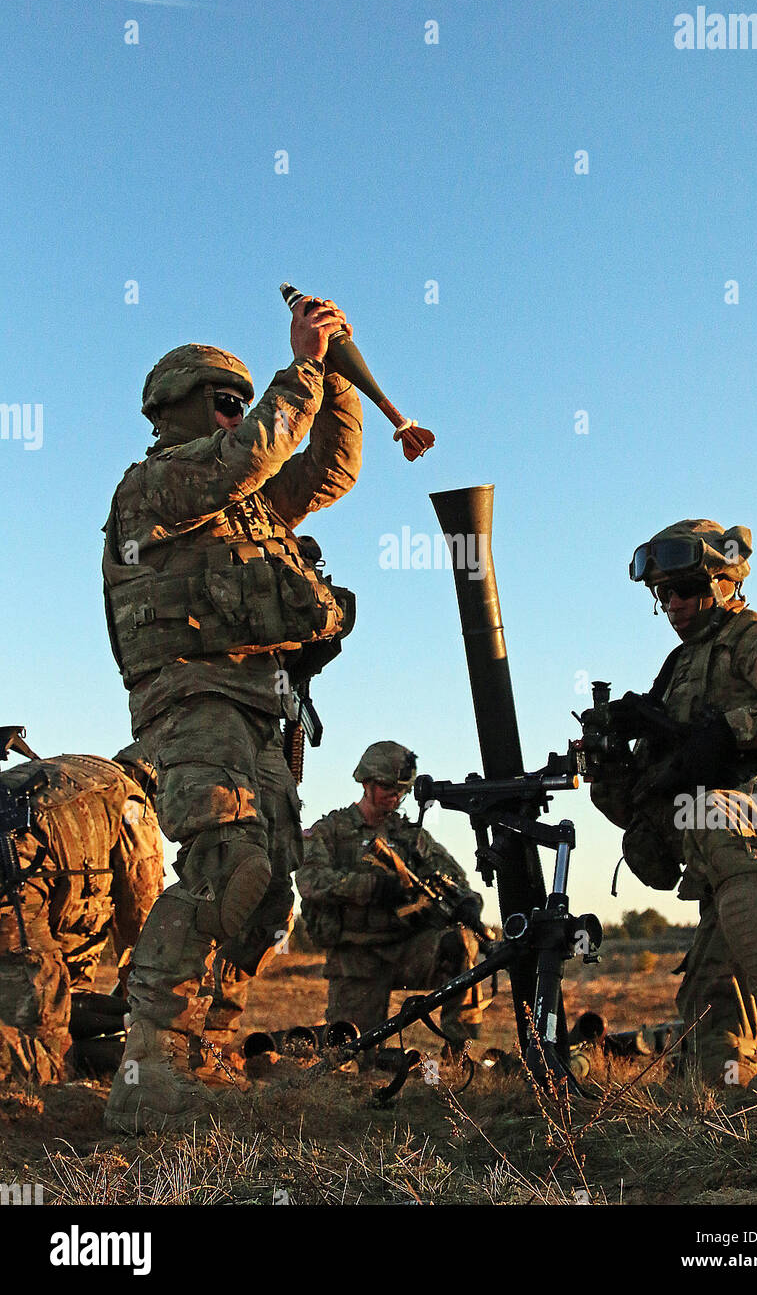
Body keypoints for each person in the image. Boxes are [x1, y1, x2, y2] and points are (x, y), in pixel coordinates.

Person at [101, 295, 362, 1133]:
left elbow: (328, 471)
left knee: (271, 890)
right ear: (177, 405)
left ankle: (207, 1050)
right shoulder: (161, 485)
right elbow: (247, 456)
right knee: (227, 866)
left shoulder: (247, 502)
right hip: (191, 697)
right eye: (222, 398)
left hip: (262, 710)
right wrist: (303, 368)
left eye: (240, 399)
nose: (236, 410)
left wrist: (340, 376)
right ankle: (148, 1063)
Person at [588, 520, 757, 1091]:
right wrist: (616, 766)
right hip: (729, 868)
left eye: (684, 589)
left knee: (716, 811)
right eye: (661, 594)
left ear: (723, 580)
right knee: (712, 1058)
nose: (672, 605)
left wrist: (738, 729)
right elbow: (654, 813)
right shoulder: (679, 670)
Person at [296, 741, 487, 1054]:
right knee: (352, 1053)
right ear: (366, 783)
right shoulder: (329, 831)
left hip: (407, 951)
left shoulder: (410, 836)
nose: (395, 796)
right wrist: (374, 888)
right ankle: (290, 1046)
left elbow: (457, 879)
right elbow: (311, 882)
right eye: (387, 787)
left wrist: (468, 903)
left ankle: (459, 1052)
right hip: (355, 957)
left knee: (461, 943)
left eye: (403, 789)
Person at [0, 729, 163, 1084]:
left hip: (22, 880)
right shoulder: (131, 802)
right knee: (43, 1051)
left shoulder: (77, 773)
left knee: (52, 1007)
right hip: (12, 884)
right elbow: (144, 923)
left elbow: (75, 904)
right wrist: (147, 1009)